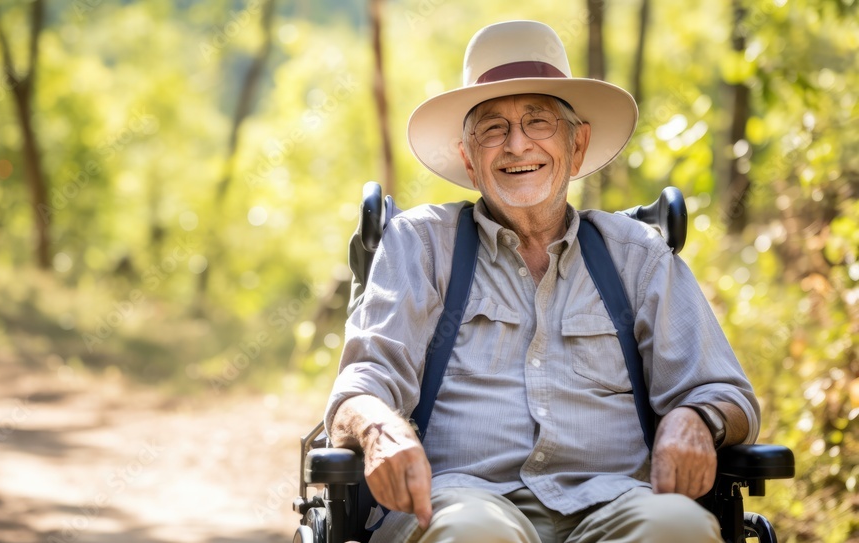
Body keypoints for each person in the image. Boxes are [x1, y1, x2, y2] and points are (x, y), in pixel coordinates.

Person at [324, 20, 761, 543]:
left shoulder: (637, 256)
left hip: (615, 500)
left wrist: (696, 419)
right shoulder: (419, 246)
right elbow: (362, 384)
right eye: (492, 128)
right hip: (462, 501)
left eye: (538, 122)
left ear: (577, 146)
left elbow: (725, 392)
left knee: (678, 527)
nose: (516, 145)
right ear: (468, 159)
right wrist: (378, 428)